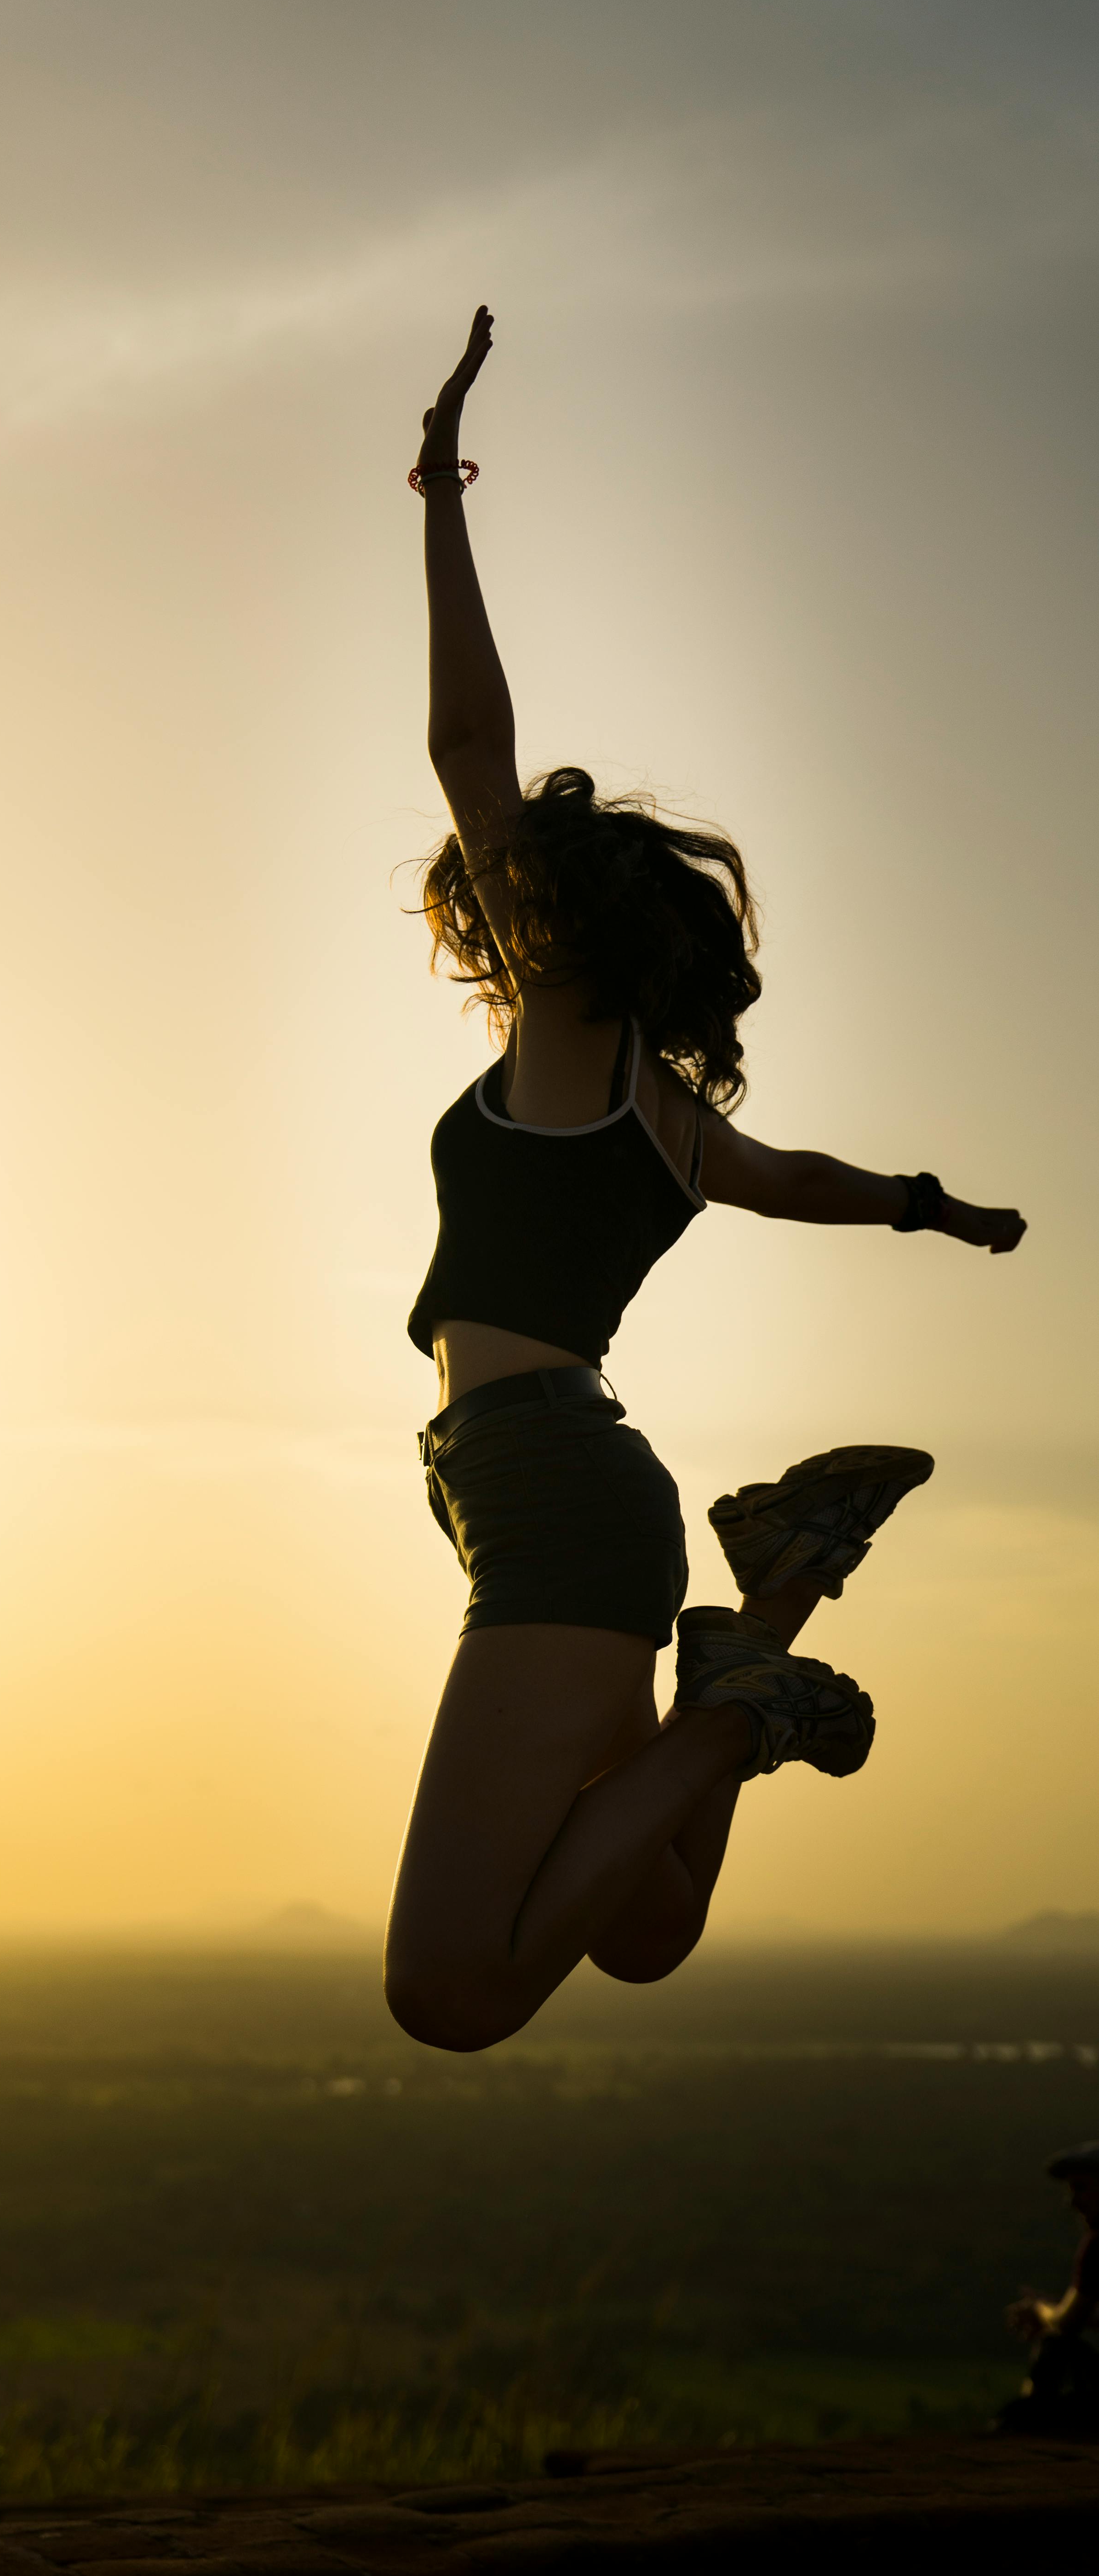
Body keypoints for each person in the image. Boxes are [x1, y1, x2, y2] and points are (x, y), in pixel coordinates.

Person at [383, 308, 1026, 2056]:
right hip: (574, 1486)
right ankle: (767, 1594)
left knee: (450, 1989)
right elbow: (790, 1174)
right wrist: (921, 1200)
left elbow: (464, 742)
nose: (499, 889)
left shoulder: (570, 1046)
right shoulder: (663, 1116)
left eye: (525, 889)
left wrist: (439, 494)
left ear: (563, 927)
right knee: (645, 1923)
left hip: (550, 1494)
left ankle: (738, 1697)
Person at [996, 2143, 1099, 2435]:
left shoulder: (1097, 2246)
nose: (1073, 2202)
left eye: (1082, 2188)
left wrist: (1040, 2310)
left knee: (1055, 2347)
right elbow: (1079, 2313)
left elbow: (1066, 2323)